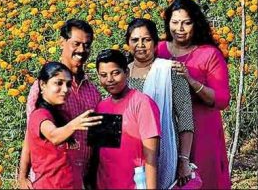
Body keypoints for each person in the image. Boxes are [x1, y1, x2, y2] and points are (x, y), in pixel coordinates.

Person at [156, 0, 231, 189]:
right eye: (175, 22)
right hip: (167, 130)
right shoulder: (158, 49)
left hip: (202, 132)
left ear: (195, 24)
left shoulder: (209, 54)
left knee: (202, 180)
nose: (179, 28)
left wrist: (191, 81)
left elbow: (222, 100)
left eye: (186, 23)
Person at [18, 19, 102, 189]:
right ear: (62, 42)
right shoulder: (46, 87)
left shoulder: (93, 91)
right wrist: (22, 175)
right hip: (50, 180)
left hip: (77, 180)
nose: (82, 50)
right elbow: (31, 133)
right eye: (76, 44)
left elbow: (96, 139)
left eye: (87, 45)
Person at [126, 18, 196, 189]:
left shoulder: (170, 71)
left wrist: (184, 160)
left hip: (164, 153)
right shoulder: (121, 74)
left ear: (156, 43)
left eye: (146, 39)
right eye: (135, 40)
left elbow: (185, 118)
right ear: (128, 43)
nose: (140, 45)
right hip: (129, 156)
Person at [25, 62, 103, 189]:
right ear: (42, 84)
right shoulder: (39, 115)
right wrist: (75, 124)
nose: (65, 89)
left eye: (68, 84)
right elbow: (54, 135)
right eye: (59, 83)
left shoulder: (62, 115)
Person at [94, 49, 161, 190]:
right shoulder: (102, 106)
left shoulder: (142, 103)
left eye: (115, 73)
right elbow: (105, 154)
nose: (109, 79)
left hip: (135, 184)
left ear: (127, 72)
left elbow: (151, 157)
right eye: (104, 75)